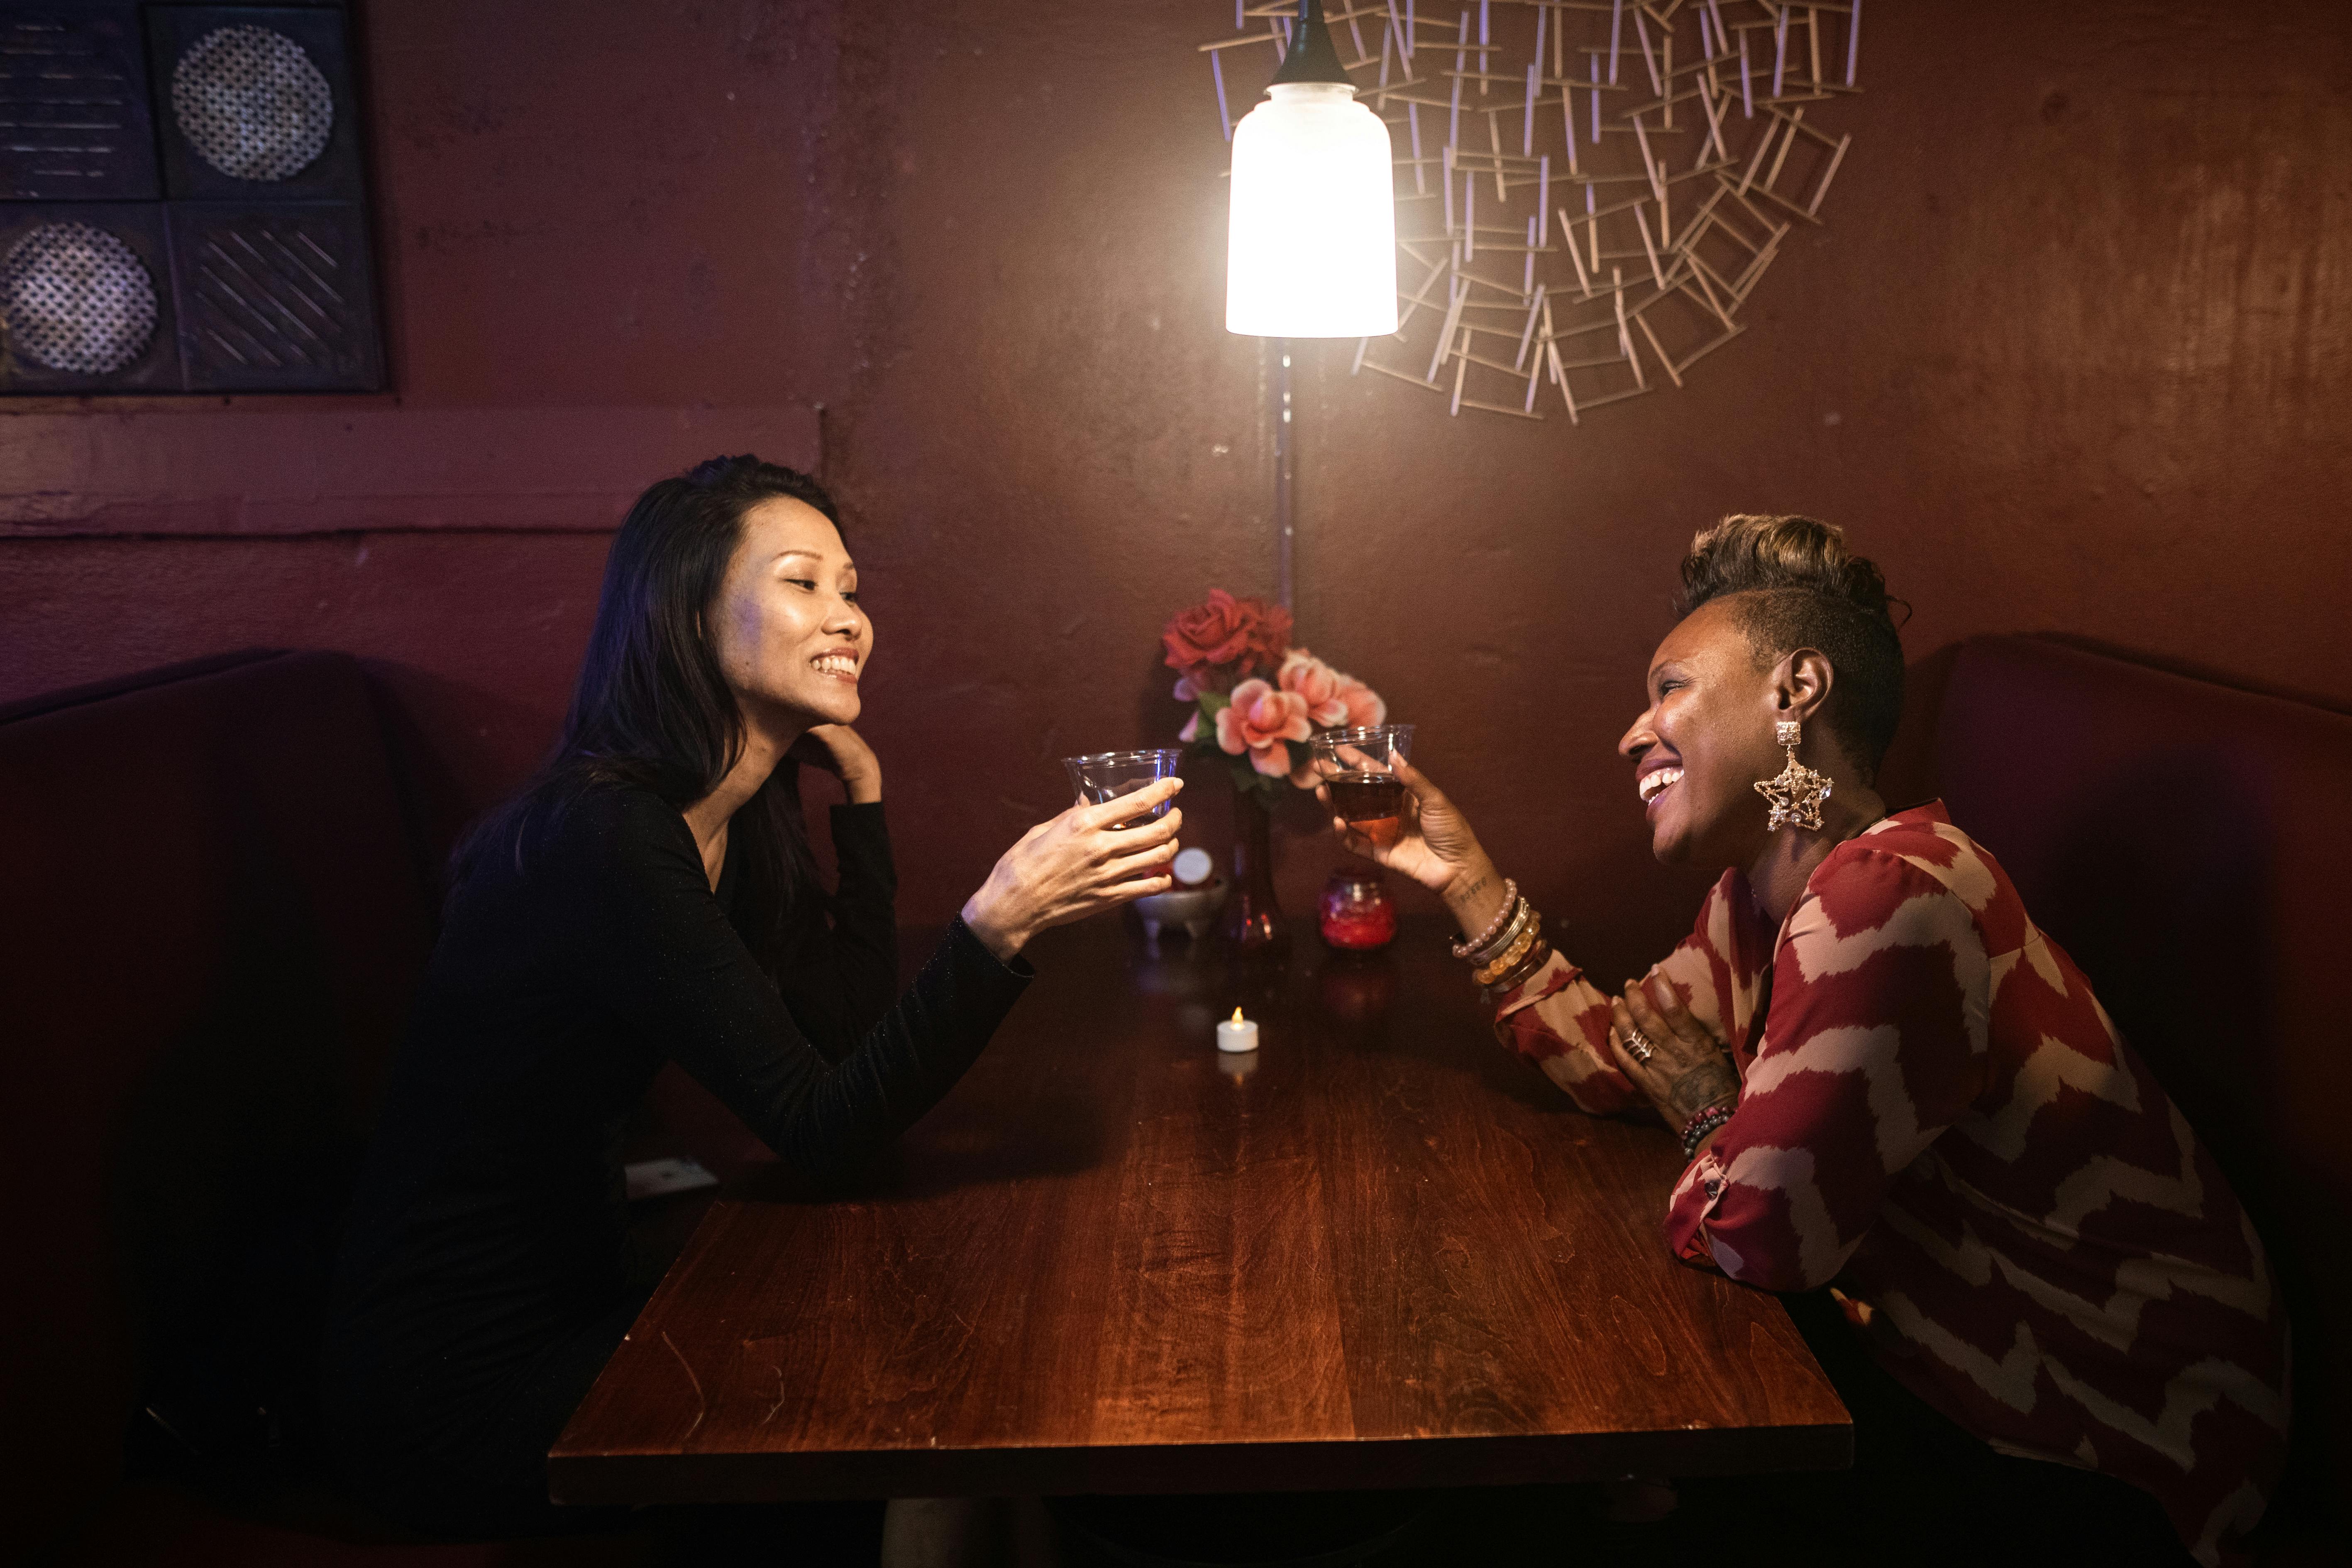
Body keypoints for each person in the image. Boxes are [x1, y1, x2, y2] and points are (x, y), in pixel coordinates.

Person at [1320, 515, 2288, 1568]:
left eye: (1669, 689)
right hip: (1946, 1381)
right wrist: (1460, 875)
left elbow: (1756, 1231)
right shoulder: (1759, 897)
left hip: (2108, 1454)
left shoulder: (1892, 895)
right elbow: (1613, 1056)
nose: (1631, 734)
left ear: (1795, 691)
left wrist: (1702, 1105)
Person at [320, 455, 1183, 1547]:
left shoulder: (724, 818)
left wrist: (862, 805)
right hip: (460, 1382)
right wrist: (998, 922)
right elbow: (825, 1131)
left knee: (963, 1366)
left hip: (585, 1305)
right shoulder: (613, 834)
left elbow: (848, 1052)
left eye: (851, 587)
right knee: (936, 1387)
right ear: (687, 614)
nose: (848, 619)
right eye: (803, 583)